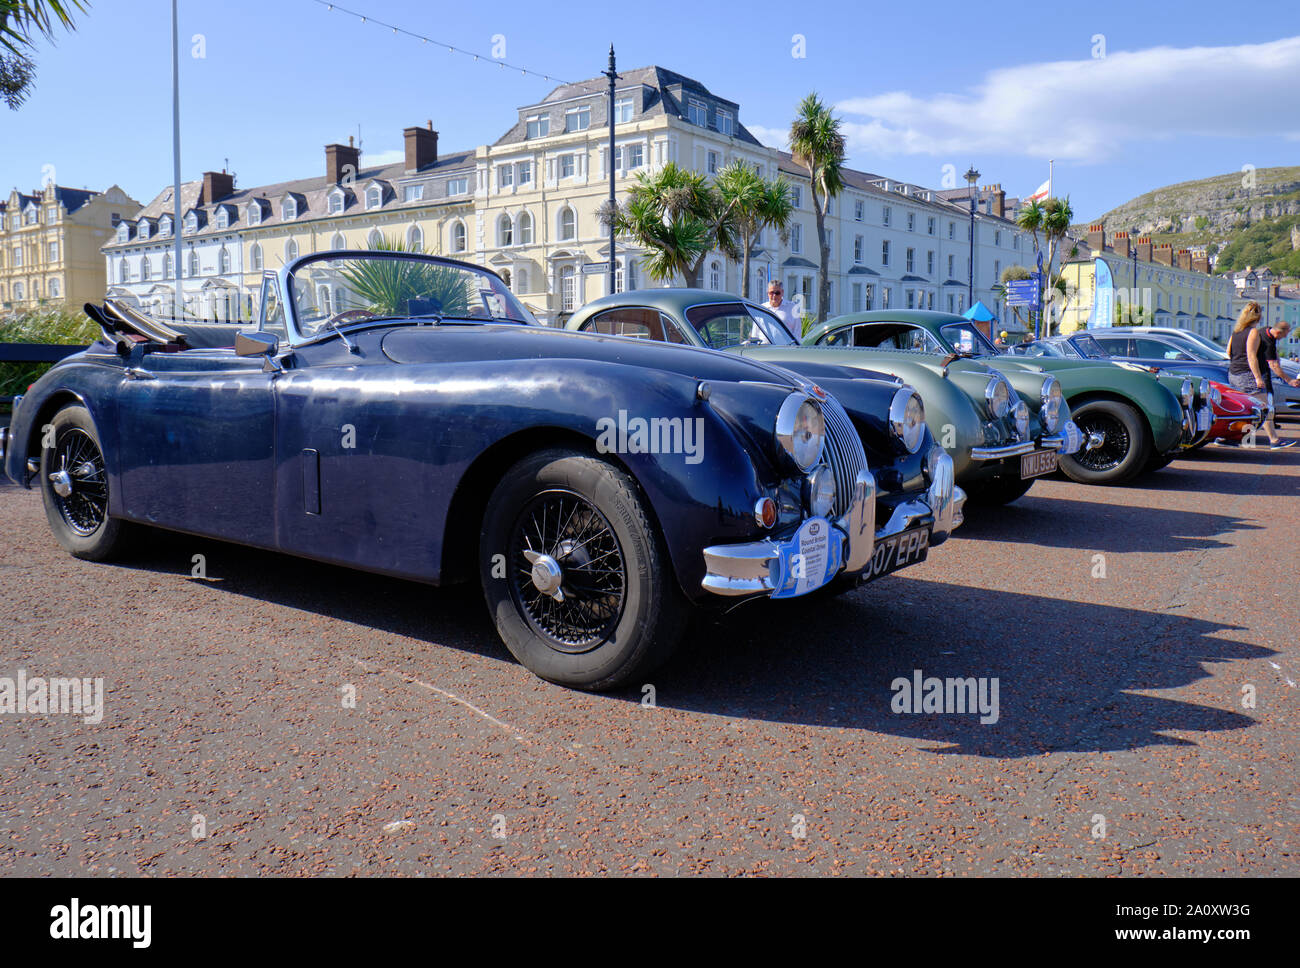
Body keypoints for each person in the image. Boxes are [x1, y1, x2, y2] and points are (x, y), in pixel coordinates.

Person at [1228, 301, 1299, 449]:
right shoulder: (1252, 332)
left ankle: (1229, 437)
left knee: (1242, 408)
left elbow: (1229, 352)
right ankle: (1274, 441)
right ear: (1258, 316)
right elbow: (1251, 356)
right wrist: (1258, 378)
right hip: (1247, 374)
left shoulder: (1236, 331)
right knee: (1264, 407)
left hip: (1233, 372)